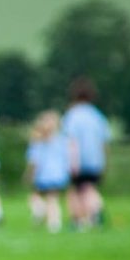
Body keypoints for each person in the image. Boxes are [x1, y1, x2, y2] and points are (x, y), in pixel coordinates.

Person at [62, 77, 110, 230]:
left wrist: (72, 162)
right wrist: (104, 161)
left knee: (75, 191)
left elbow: (72, 142)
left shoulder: (72, 115)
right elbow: (104, 142)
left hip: (78, 160)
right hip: (96, 160)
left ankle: (78, 220)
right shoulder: (97, 116)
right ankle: (95, 213)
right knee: (90, 188)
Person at [26, 110, 70, 233]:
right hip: (58, 174)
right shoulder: (62, 140)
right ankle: (54, 223)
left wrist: (29, 175)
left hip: (43, 175)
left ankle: (41, 210)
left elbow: (34, 161)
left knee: (34, 197)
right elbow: (67, 158)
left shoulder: (37, 141)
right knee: (53, 199)